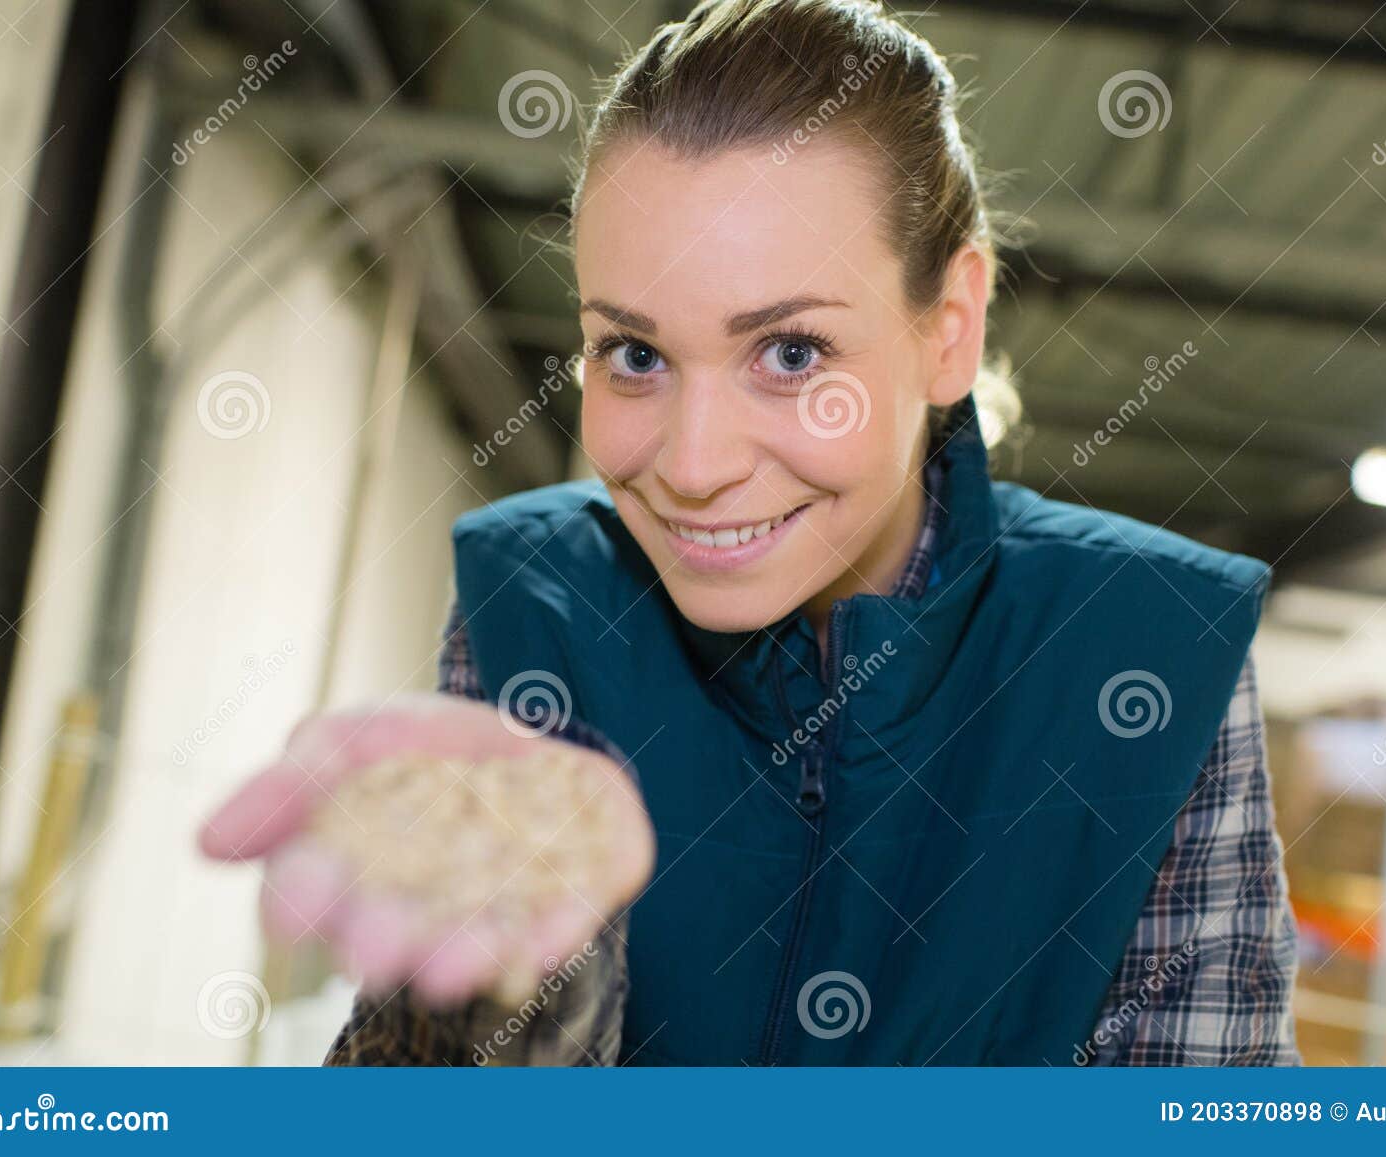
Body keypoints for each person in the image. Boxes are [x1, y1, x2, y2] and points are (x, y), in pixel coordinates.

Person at [200, 0, 1300, 1066]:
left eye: (789, 353)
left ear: (948, 328)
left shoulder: (1154, 649)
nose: (690, 463)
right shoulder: (537, 602)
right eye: (632, 353)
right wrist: (535, 975)